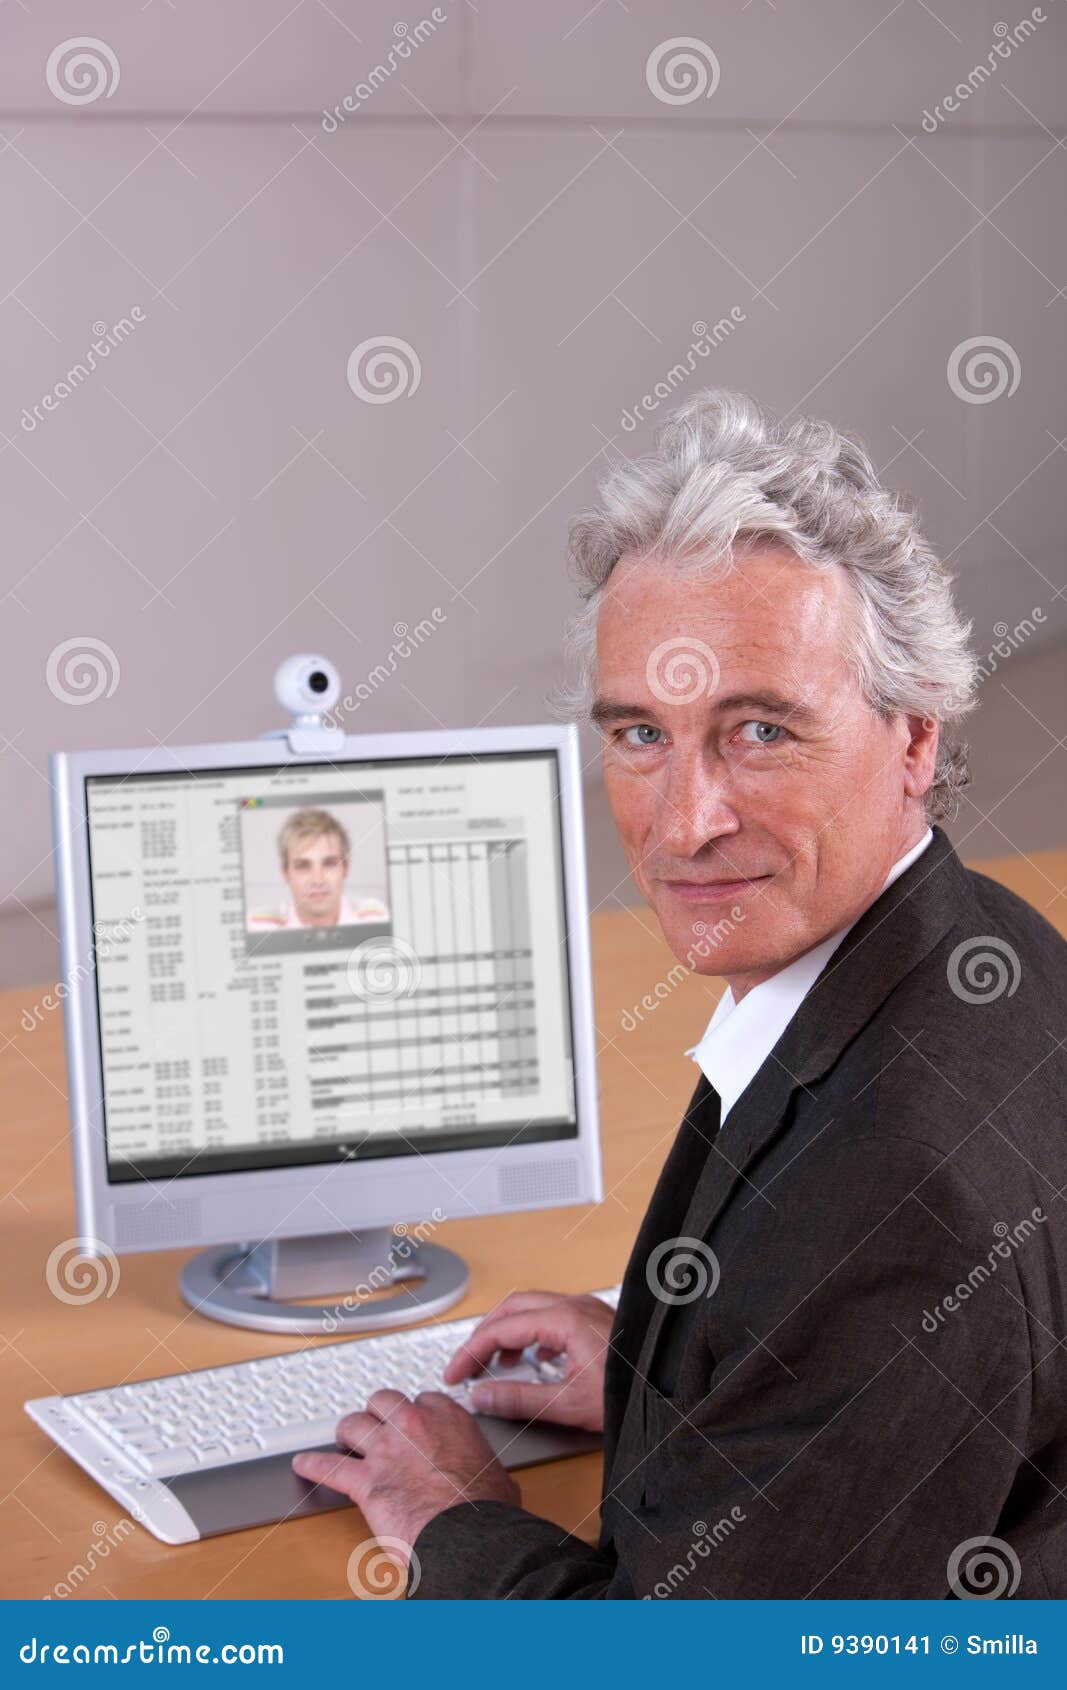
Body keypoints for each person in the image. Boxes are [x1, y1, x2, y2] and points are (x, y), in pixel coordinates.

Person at [292, 388, 1067, 1599]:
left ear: (913, 738)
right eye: (640, 734)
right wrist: (677, 1380)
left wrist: (452, 1516)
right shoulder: (984, 943)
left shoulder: (895, 1199)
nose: (686, 821)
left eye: (758, 731)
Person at [247, 807, 386, 930]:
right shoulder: (257, 926)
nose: (318, 880)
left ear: (345, 869)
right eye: (303, 866)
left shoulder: (376, 917)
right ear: (285, 873)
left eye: (329, 864)